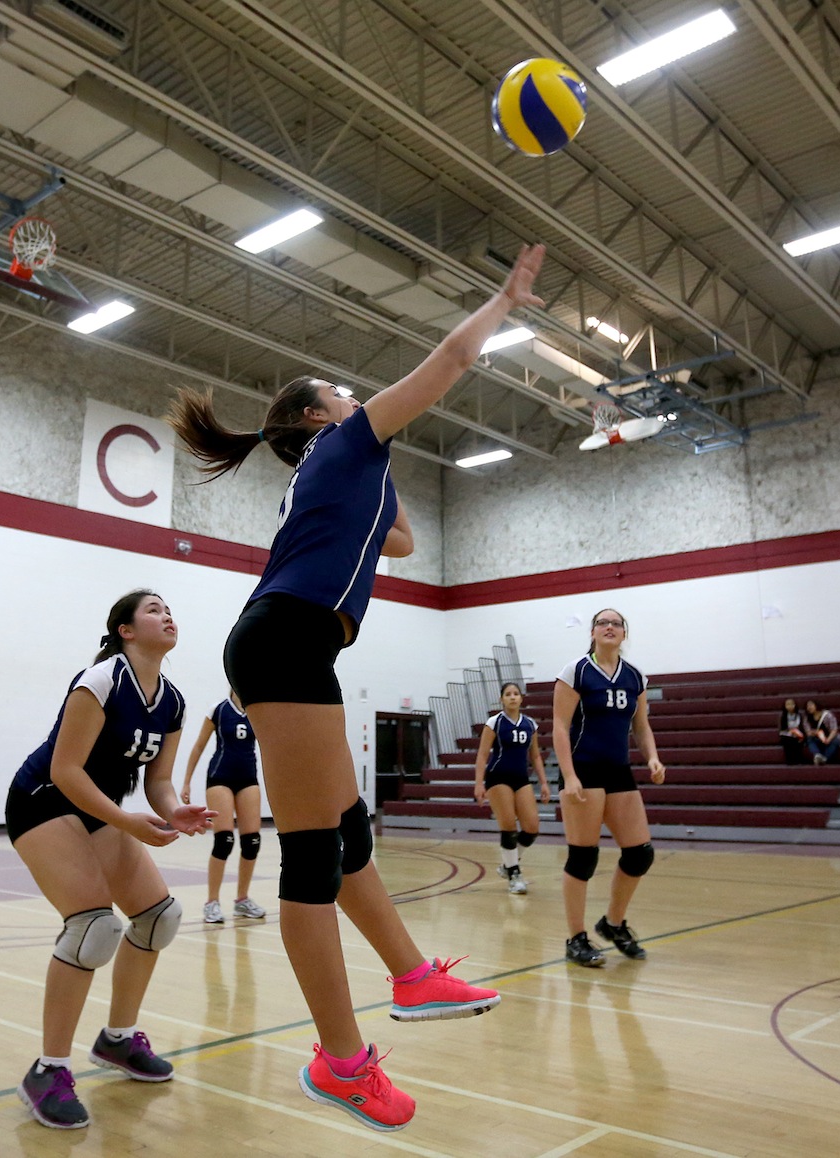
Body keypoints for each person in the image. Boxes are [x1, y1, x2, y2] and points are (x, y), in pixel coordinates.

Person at [167, 242, 545, 1133]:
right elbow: (450, 362)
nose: (355, 393)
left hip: (301, 648)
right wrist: (504, 298)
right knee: (312, 856)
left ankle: (412, 978)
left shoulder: (345, 466)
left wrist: (379, 453)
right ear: (315, 414)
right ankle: (340, 1063)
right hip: (285, 642)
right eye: (341, 389)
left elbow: (403, 542)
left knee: (347, 832)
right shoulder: (340, 446)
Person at [5, 590, 214, 1130]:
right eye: (153, 609)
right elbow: (66, 770)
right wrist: (128, 823)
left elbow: (159, 782)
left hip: (98, 810)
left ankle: (117, 1039)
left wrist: (175, 811)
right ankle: (48, 1069)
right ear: (125, 629)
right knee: (93, 928)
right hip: (43, 799)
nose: (167, 615)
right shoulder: (100, 680)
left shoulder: (172, 701)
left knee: (158, 916)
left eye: (171, 608)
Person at [552, 608, 666, 968]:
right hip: (582, 769)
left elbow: (641, 726)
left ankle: (613, 923)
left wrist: (652, 758)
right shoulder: (577, 671)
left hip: (618, 770)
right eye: (603, 622)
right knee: (583, 857)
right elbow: (558, 725)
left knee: (639, 853)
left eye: (617, 623)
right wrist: (569, 776)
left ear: (624, 633)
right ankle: (576, 938)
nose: (610, 627)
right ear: (592, 632)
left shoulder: (635, 677)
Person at [181, 692, 266, 923]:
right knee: (224, 840)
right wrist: (187, 781)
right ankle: (212, 902)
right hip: (220, 778)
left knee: (252, 843)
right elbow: (199, 746)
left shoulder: (258, 710)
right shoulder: (218, 709)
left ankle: (242, 900)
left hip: (248, 778)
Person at [473, 681, 551, 894]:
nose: (513, 697)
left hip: (521, 778)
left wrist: (544, 782)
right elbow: (482, 754)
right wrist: (479, 783)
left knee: (532, 827)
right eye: (508, 694)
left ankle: (508, 864)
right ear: (502, 699)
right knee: (508, 825)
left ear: (521, 698)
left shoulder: (529, 724)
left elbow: (535, 755)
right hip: (498, 777)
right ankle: (514, 874)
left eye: (516, 693)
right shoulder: (495, 722)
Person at [805, 699, 840, 764]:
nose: (809, 708)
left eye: (811, 705)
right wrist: (813, 733)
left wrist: (828, 739)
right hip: (817, 738)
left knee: (836, 741)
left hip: (829, 737)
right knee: (809, 739)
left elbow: (834, 729)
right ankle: (817, 755)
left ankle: (825, 758)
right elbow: (808, 731)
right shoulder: (807, 718)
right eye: (807, 706)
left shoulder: (828, 715)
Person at [778, 698, 807, 765]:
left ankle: (799, 760)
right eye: (788, 704)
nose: (790, 706)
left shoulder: (800, 715)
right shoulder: (782, 716)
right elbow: (781, 729)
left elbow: (803, 727)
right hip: (786, 735)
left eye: (791, 704)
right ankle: (790, 760)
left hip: (798, 735)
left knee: (798, 741)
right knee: (787, 741)